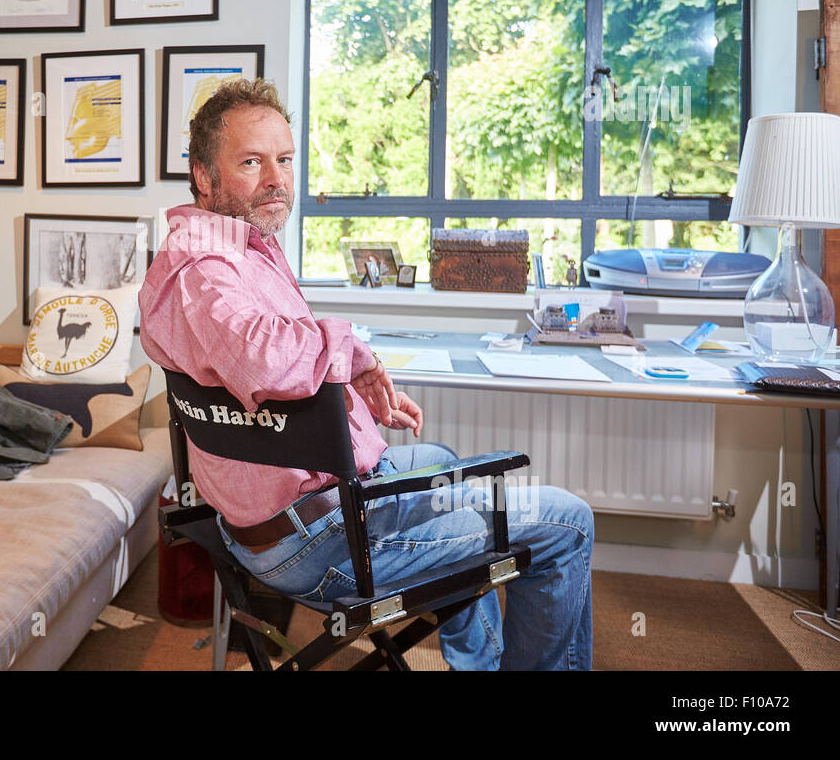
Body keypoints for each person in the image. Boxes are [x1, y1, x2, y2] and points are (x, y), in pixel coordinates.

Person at [138, 78, 594, 670]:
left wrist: (351, 376)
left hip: (303, 512)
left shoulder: (237, 250)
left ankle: (475, 663)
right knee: (567, 522)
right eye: (252, 162)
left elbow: (271, 361)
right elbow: (263, 357)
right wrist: (352, 348)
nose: (276, 178)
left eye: (284, 159)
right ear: (203, 175)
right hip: (314, 542)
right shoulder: (204, 267)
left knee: (440, 458)